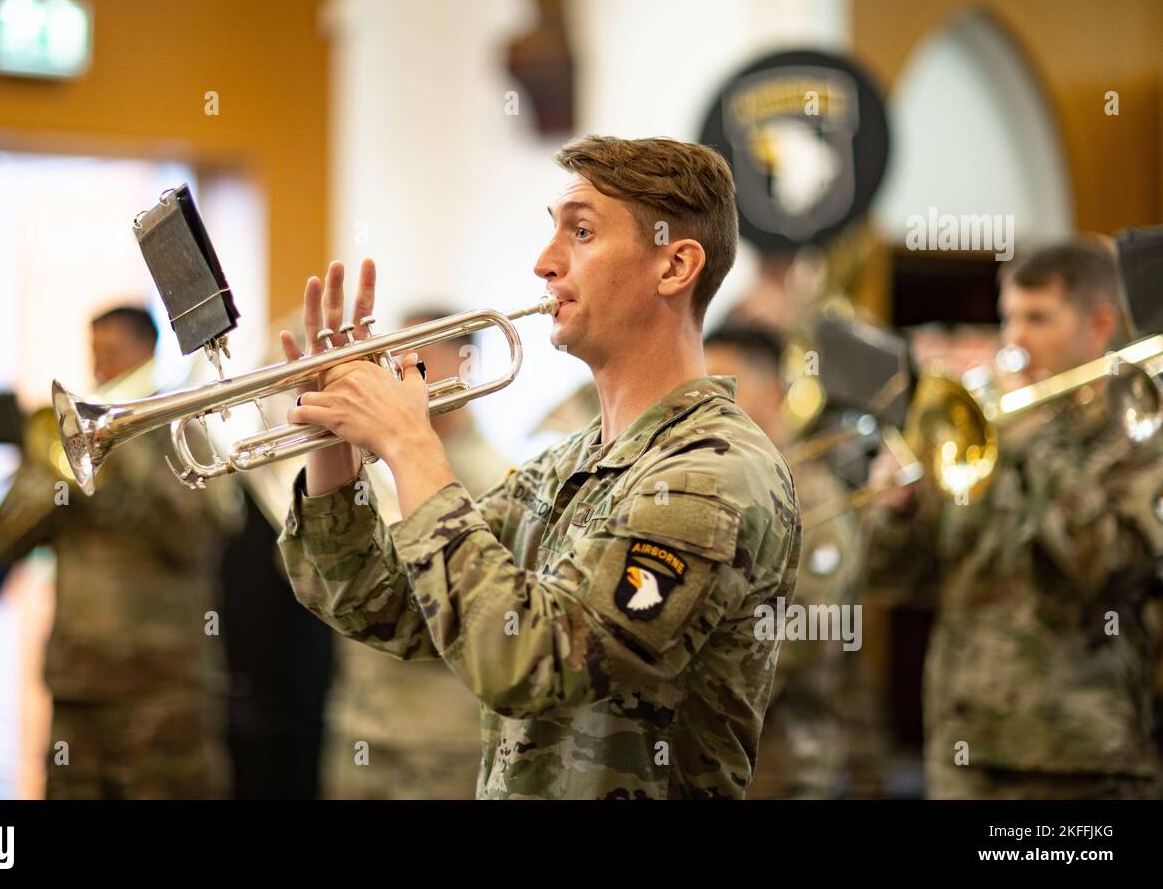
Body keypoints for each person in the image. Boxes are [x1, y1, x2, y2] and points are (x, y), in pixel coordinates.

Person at [279, 135, 800, 799]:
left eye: (580, 232)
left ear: (674, 267)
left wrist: (411, 445)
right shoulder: (564, 467)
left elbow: (528, 662)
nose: (544, 263)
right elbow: (381, 606)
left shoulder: (714, 474)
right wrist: (334, 438)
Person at [864, 239, 1163, 799]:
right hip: (964, 749)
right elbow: (899, 582)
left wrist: (1036, 444)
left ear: (1099, 325)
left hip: (1080, 761)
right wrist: (896, 514)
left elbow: (1103, 570)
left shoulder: (1135, 434)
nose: (1015, 339)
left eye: (1038, 318)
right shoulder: (981, 427)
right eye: (1009, 318)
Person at [0, 306, 232, 799]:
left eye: (114, 355)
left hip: (164, 687)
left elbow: (198, 541)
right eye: (95, 355)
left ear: (147, 353)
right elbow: (6, 541)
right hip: (78, 682)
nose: (102, 370)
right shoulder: (65, 432)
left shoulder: (182, 428)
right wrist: (54, 479)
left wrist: (129, 459)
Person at [321, 309, 509, 799]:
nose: (401, 368)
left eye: (419, 356)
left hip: (438, 738)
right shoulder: (376, 462)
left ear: (465, 363)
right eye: (397, 353)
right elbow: (330, 584)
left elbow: (469, 608)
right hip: (359, 721)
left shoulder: (494, 475)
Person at [703, 324, 863, 799]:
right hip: (707, 754)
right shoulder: (715, 479)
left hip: (785, 760)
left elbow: (801, 634)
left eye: (725, 387)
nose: (706, 406)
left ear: (775, 392)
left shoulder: (810, 492)